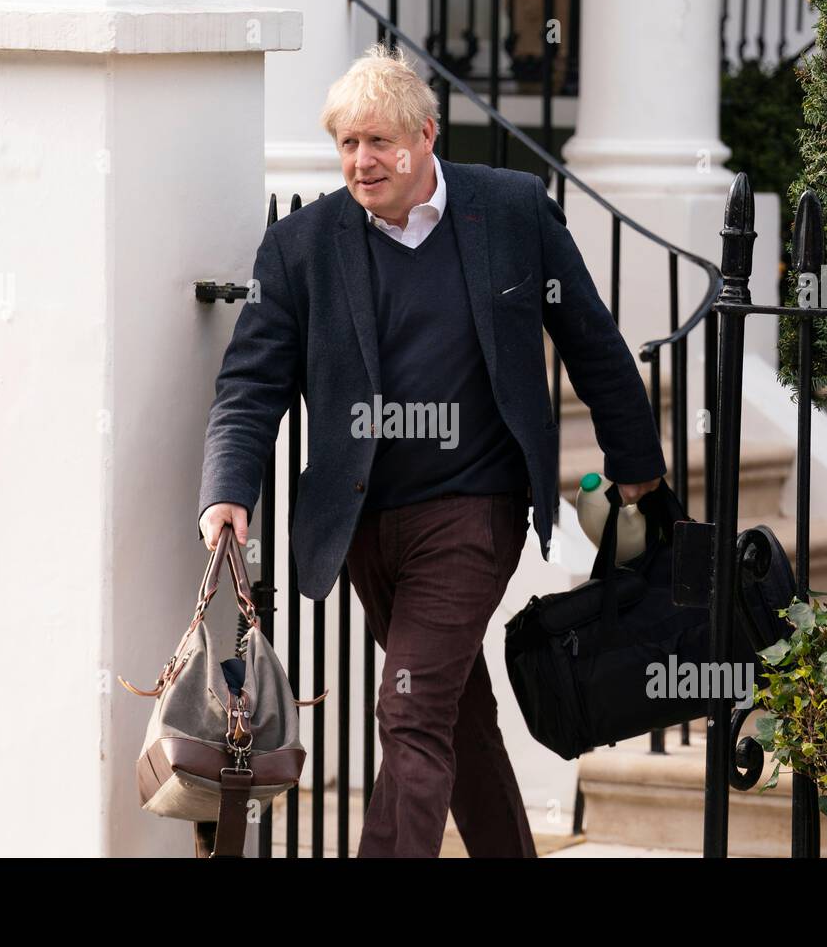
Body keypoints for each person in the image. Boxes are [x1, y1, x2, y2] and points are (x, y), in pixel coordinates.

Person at [197, 42, 664, 857]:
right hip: (364, 527)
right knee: (455, 712)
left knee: (408, 711)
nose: (363, 161)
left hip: (473, 512)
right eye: (347, 143)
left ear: (427, 133)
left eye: (380, 141)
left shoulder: (513, 211)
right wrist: (227, 489)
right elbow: (250, 385)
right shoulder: (303, 247)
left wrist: (639, 476)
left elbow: (591, 341)